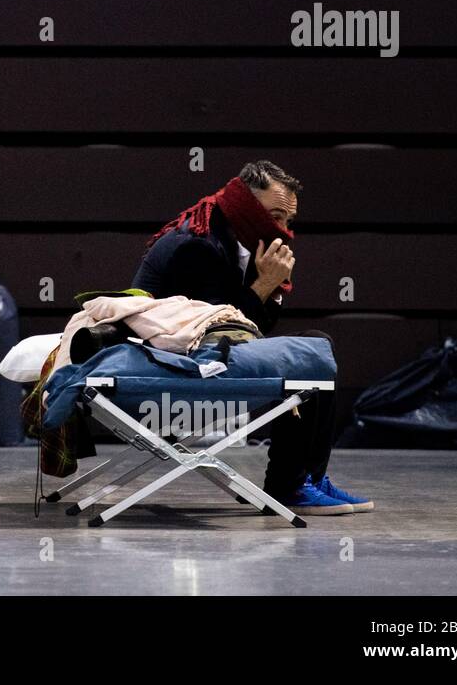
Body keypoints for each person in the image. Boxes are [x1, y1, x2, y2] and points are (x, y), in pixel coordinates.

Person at [131, 160, 374, 515]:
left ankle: (308, 478)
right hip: (173, 370)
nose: (283, 231)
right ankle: (289, 485)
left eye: (289, 221)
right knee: (310, 353)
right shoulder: (197, 245)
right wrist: (263, 285)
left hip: (202, 356)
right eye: (276, 217)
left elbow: (252, 329)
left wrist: (269, 288)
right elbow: (218, 333)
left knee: (313, 349)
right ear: (246, 205)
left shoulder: (237, 239)